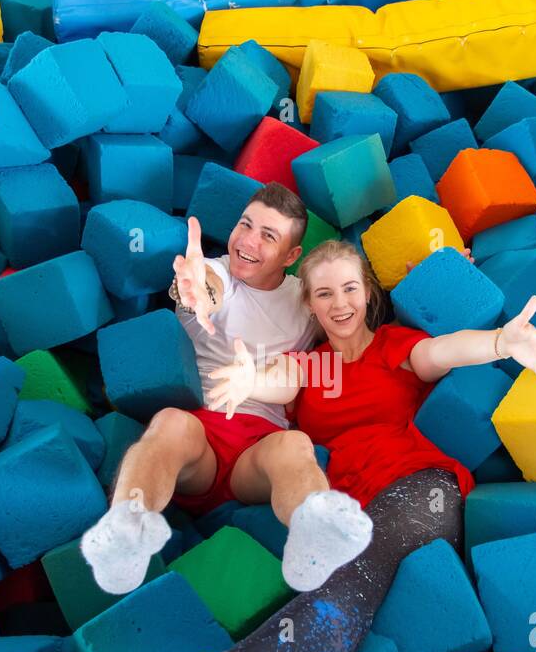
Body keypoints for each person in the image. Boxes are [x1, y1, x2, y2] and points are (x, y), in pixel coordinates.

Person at [53, 238, 536, 652]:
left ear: (366, 294)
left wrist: (500, 342)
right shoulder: (309, 365)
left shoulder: (393, 348)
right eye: (325, 294)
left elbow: (440, 352)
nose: (341, 304)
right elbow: (282, 380)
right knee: (354, 584)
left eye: (350, 289)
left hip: (420, 489)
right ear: (310, 303)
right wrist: (250, 379)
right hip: (345, 512)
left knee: (347, 586)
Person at [79, 182, 374, 598]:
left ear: (291, 257)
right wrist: (196, 289)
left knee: (295, 444)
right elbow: (206, 289)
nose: (248, 242)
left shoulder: (303, 297)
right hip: (202, 436)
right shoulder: (214, 272)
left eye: (268, 236)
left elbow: (350, 306)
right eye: (245, 225)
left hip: (257, 448)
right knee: (169, 423)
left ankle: (315, 534)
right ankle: (125, 532)